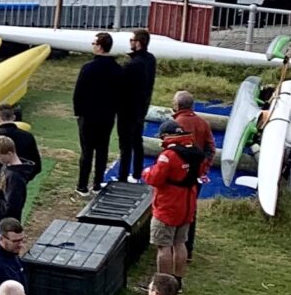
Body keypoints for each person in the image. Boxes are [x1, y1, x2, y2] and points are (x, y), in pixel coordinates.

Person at [142, 140, 199, 280]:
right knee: (180, 244)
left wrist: (146, 171)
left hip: (167, 207)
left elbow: (154, 179)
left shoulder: (168, 155)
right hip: (187, 206)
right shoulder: (194, 151)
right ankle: (177, 281)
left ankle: (164, 283)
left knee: (163, 246)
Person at [73, 33, 120, 190]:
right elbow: (120, 93)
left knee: (86, 151)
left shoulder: (88, 67)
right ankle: (97, 183)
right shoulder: (117, 69)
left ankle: (82, 185)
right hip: (107, 115)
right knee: (102, 150)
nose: (92, 46)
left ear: (99, 46)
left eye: (94, 43)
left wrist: (78, 112)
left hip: (88, 115)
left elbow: (79, 92)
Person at [115, 29, 157, 172]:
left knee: (125, 144)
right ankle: (137, 172)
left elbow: (123, 86)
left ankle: (123, 174)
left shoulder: (132, 64)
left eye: (132, 40)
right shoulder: (151, 59)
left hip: (127, 108)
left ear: (138, 42)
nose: (130, 43)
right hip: (142, 106)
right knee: (137, 141)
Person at [0, 103, 42, 180]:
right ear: (14, 117)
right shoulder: (27, 136)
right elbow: (36, 165)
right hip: (20, 179)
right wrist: (25, 178)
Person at [165, 92, 213, 169]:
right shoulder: (203, 123)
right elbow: (210, 148)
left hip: (179, 170)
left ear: (177, 105)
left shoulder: (175, 124)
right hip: (197, 169)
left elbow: (170, 151)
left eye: (173, 101)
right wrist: (203, 167)